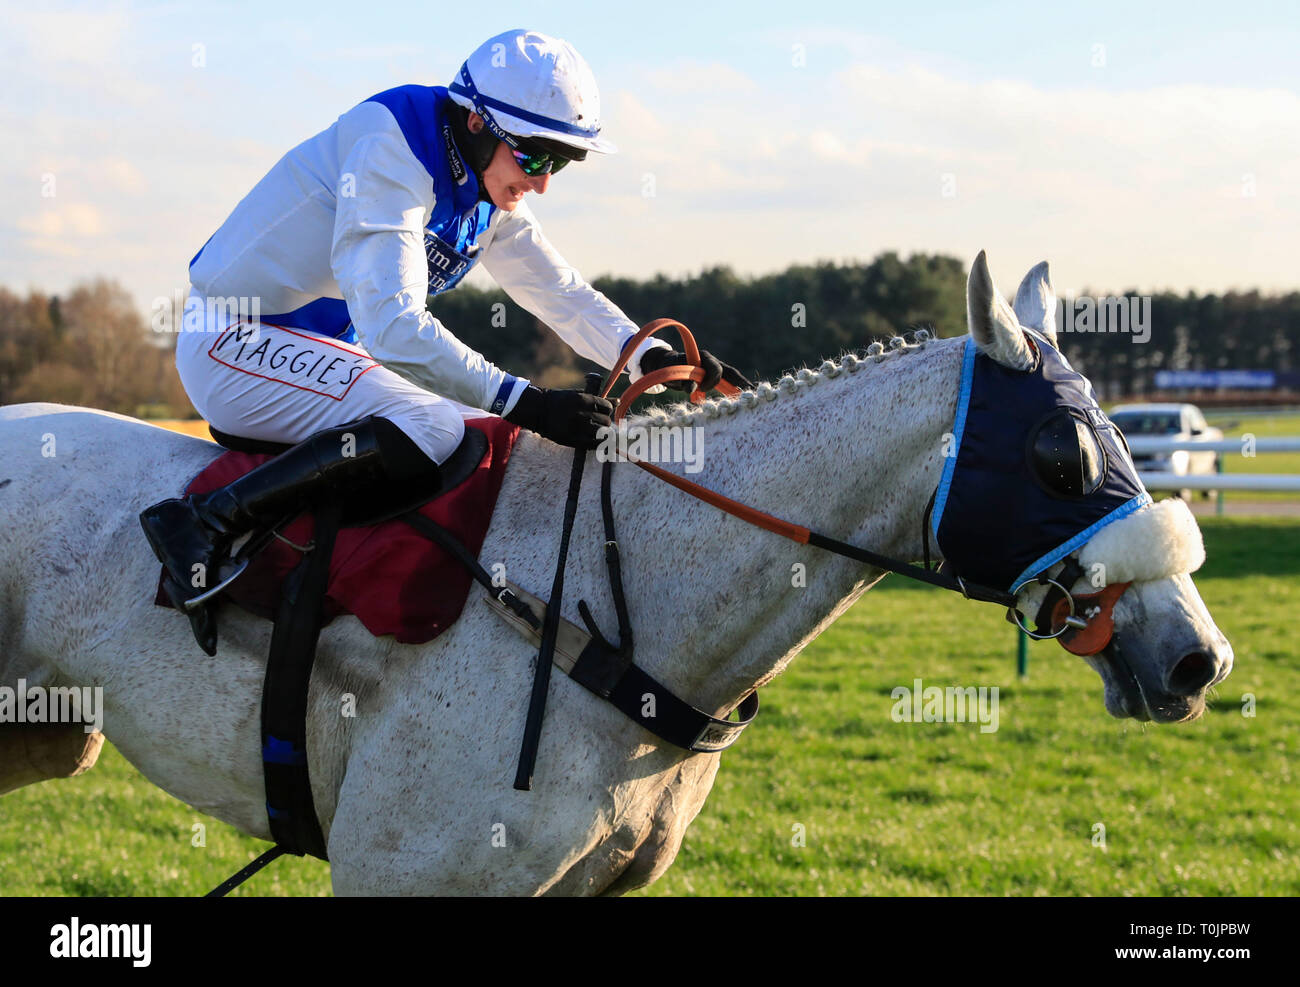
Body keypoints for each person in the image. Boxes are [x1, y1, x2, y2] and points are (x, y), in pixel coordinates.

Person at [140, 29, 749, 651]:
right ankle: (206, 522)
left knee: (494, 435)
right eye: (536, 157)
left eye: (560, 162)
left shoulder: (486, 179)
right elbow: (394, 326)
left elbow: (556, 290)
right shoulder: (390, 145)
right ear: (480, 123)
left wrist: (646, 353)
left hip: (315, 351)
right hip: (234, 342)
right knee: (434, 426)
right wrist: (531, 400)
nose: (543, 183)